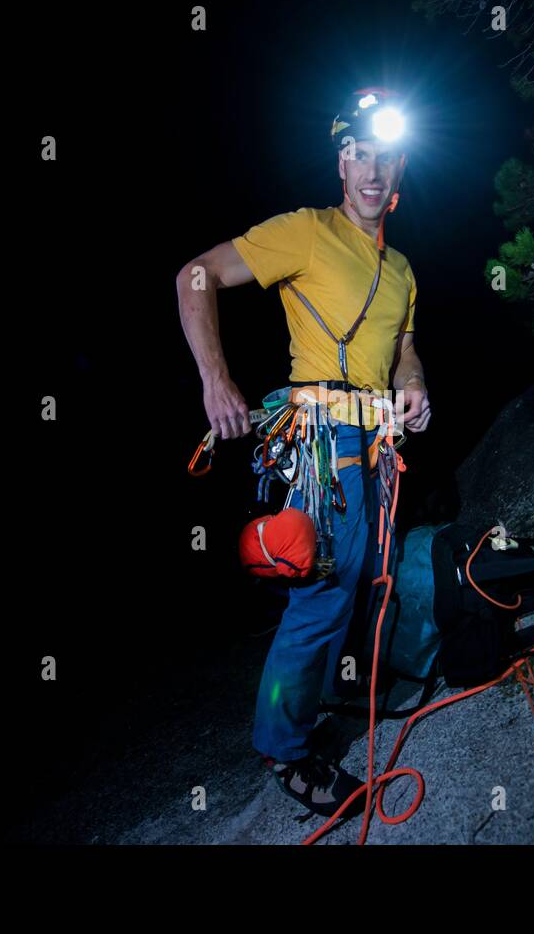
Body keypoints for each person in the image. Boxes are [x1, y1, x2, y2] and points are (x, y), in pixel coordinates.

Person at [176, 88, 432, 818]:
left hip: (377, 447)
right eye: (358, 154)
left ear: (399, 167)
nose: (372, 169)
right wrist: (215, 379)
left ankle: (310, 708)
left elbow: (405, 350)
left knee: (356, 585)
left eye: (385, 156)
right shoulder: (309, 231)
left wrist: (414, 388)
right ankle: (284, 752)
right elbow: (194, 275)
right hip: (321, 444)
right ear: (341, 162)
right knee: (320, 594)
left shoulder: (404, 270)